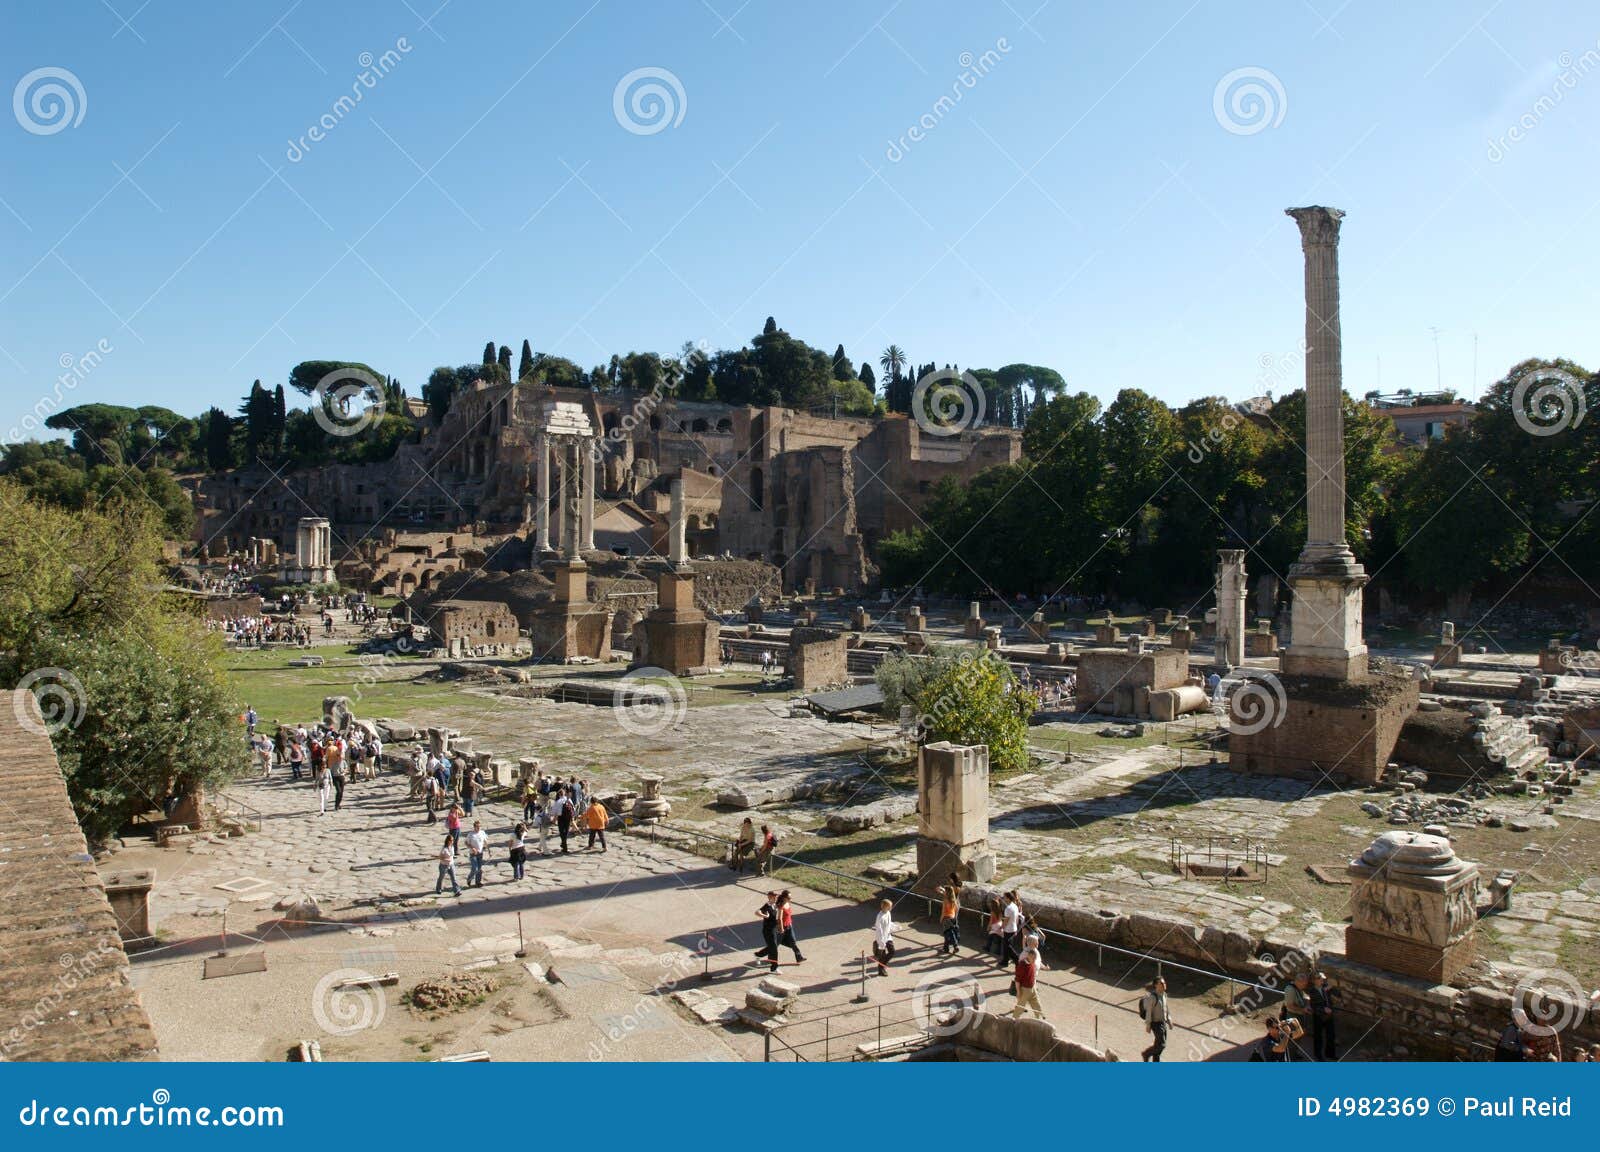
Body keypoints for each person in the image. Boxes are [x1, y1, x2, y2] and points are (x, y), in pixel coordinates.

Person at [1012, 934, 1045, 1020]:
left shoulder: (1034, 952)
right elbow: (1018, 978)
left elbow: (1039, 961)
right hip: (1026, 986)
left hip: (1032, 983)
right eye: (1036, 942)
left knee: (1035, 1001)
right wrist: (1018, 991)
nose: (1038, 944)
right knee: (1021, 1004)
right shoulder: (1024, 959)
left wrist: (1044, 967)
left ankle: (1040, 1016)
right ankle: (1014, 1019)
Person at [1284, 972, 1315, 1061]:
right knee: (1293, 1038)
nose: (1305, 986)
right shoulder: (1290, 990)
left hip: (1299, 1016)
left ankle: (1294, 1054)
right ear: (1298, 982)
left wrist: (1308, 1003)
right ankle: (1290, 1057)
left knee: (1298, 1037)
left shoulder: (1298, 988)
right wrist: (1303, 1010)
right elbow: (1290, 1006)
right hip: (1293, 1017)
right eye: (1304, 984)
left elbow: (1304, 997)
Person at [1309, 971, 1339, 1060]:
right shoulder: (1312, 991)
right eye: (1319, 978)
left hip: (1329, 1016)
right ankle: (1318, 1055)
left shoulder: (1326, 987)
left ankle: (1330, 1054)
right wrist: (1323, 1009)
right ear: (1314, 981)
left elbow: (1337, 994)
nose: (1322, 979)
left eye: (1322, 978)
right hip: (1318, 1016)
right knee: (1318, 1036)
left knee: (1331, 1035)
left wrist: (1333, 987)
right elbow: (1313, 1005)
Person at [1139, 977, 1170, 1062]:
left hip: (1162, 1022)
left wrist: (1169, 1019)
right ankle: (1146, 1053)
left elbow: (1166, 1007)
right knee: (1162, 1045)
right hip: (1155, 1023)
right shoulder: (1153, 997)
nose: (1164, 985)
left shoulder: (1164, 995)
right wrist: (1148, 1025)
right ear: (1156, 985)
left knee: (1158, 1045)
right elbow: (1149, 1011)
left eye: (1164, 983)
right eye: (1161, 983)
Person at [776, 890, 804, 964]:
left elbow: (788, 916)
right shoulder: (781, 906)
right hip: (783, 927)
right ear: (784, 898)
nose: (790, 899)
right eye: (789, 897)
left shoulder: (788, 903)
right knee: (776, 943)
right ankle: (767, 956)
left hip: (789, 926)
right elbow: (779, 918)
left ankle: (799, 958)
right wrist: (781, 928)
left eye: (791, 897)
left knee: (793, 942)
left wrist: (790, 924)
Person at [754, 892, 780, 974]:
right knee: (774, 949)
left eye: (776, 896)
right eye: (774, 897)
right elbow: (757, 912)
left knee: (772, 947)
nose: (776, 898)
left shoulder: (775, 905)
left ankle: (758, 955)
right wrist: (765, 916)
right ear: (770, 897)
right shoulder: (767, 906)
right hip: (768, 931)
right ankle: (774, 968)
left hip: (774, 929)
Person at [872, 899, 895, 976]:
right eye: (890, 906)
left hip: (888, 936)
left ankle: (882, 965)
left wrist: (894, 927)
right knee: (883, 955)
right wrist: (881, 942)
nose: (891, 908)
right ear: (885, 907)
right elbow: (879, 930)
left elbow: (888, 923)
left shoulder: (888, 913)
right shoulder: (880, 917)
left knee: (892, 952)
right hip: (882, 938)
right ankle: (881, 969)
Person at [999, 892, 1022, 967]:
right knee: (1007, 946)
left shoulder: (1008, 908)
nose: (1003, 898)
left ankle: (1017, 959)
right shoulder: (1014, 906)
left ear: (1008, 898)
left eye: (1004, 897)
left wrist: (1002, 927)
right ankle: (1005, 960)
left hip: (1008, 929)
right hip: (1013, 927)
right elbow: (1016, 918)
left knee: (1007, 946)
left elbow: (1006, 920)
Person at [937, 885, 960, 956]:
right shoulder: (954, 899)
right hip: (952, 918)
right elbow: (956, 909)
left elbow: (943, 911)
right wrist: (941, 889)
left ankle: (955, 946)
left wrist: (941, 918)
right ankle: (946, 948)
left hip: (946, 918)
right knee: (949, 933)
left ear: (947, 892)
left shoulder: (946, 900)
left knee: (948, 933)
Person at [464, 820, 488, 888]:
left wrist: (488, 849)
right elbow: (466, 843)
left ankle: (478, 882)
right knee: (475, 868)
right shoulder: (471, 834)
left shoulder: (482, 833)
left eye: (479, 826)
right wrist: (472, 848)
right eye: (477, 827)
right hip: (473, 854)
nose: (478, 828)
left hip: (480, 853)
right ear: (474, 827)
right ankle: (469, 878)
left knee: (480, 869)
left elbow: (485, 841)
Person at [554, 788, 574, 854]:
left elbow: (554, 811)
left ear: (559, 794)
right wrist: (572, 817)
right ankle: (563, 843)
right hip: (568, 818)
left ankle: (564, 846)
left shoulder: (558, 801)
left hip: (561, 818)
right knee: (566, 831)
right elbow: (573, 808)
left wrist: (554, 819)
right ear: (564, 793)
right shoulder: (569, 800)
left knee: (561, 832)